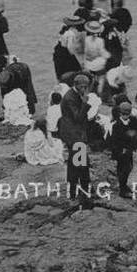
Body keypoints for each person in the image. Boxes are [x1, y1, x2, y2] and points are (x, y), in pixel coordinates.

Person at [58, 72, 96, 210]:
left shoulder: (73, 94)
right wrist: (85, 104)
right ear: (77, 85)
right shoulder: (70, 98)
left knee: (76, 165)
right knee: (80, 165)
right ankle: (82, 192)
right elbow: (78, 118)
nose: (85, 90)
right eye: (83, 87)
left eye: (87, 87)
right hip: (74, 136)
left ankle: (74, 192)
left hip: (75, 134)